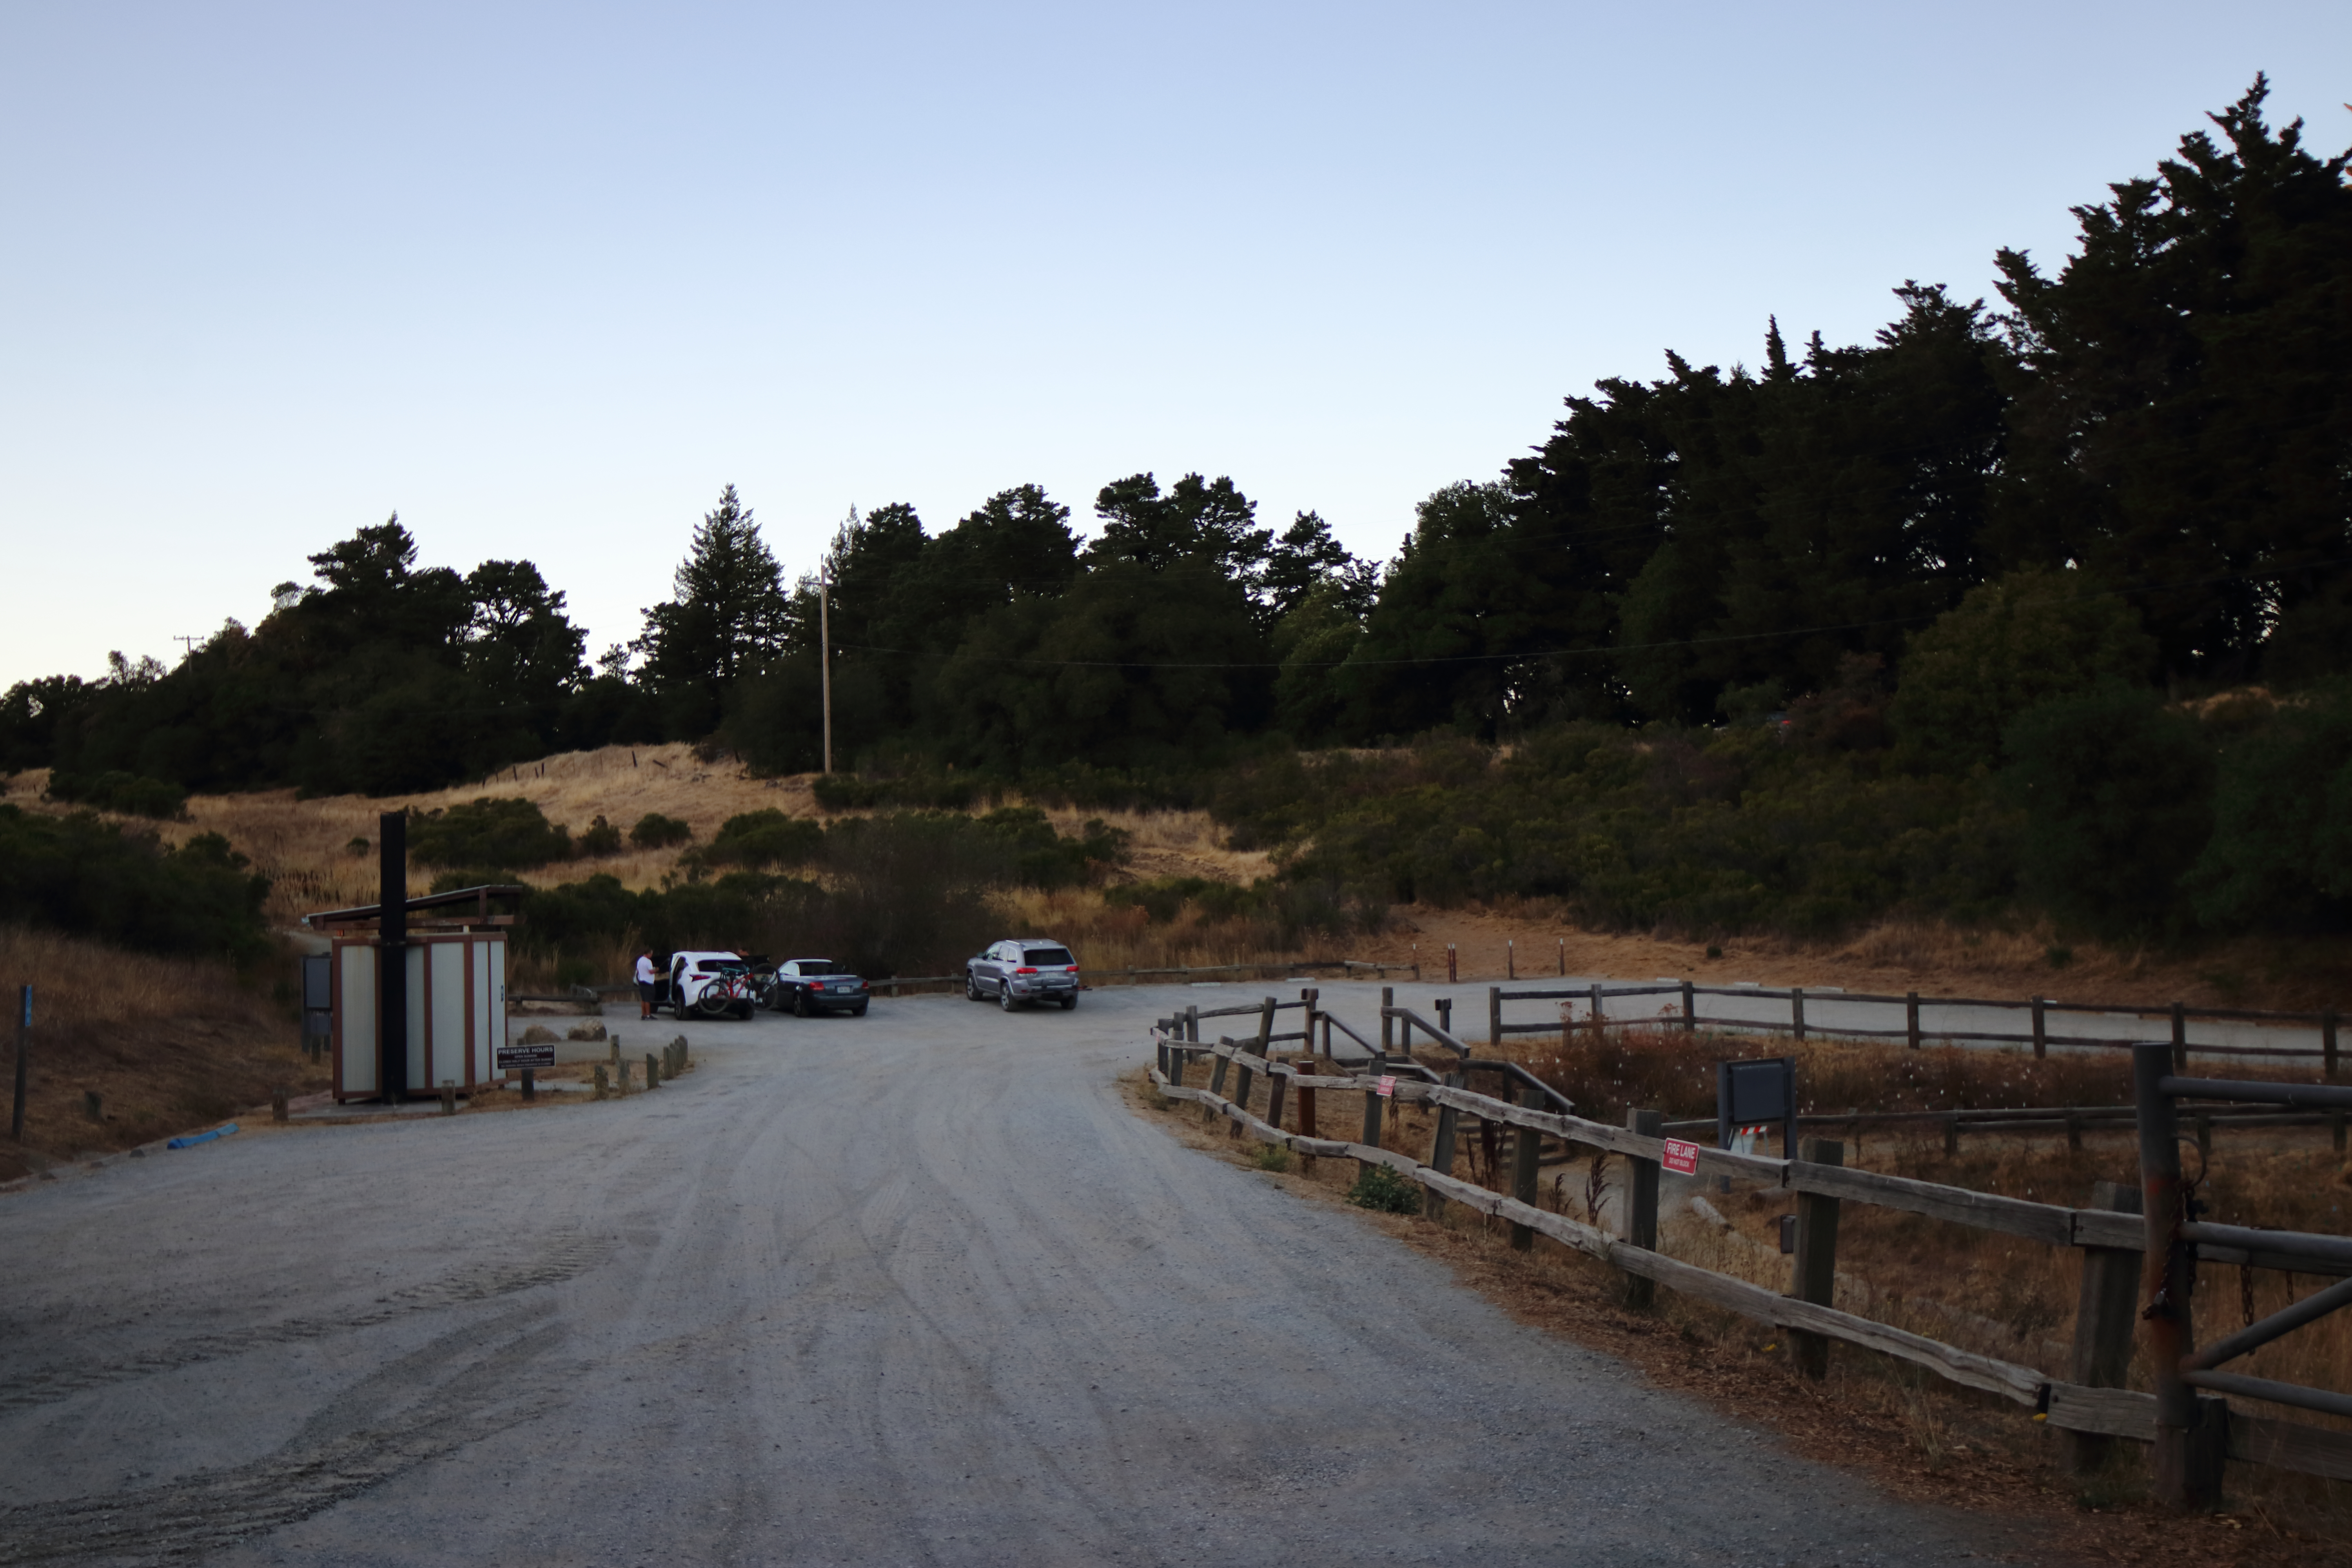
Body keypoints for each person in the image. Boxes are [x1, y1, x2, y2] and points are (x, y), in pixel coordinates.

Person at [634, 950, 658, 1020]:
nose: (651, 956)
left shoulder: (640, 960)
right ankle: (648, 1015)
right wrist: (656, 970)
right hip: (648, 982)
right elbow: (651, 972)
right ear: (649, 954)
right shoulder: (648, 962)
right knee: (648, 1000)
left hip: (641, 982)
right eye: (651, 954)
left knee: (643, 999)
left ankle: (644, 1014)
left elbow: (638, 970)